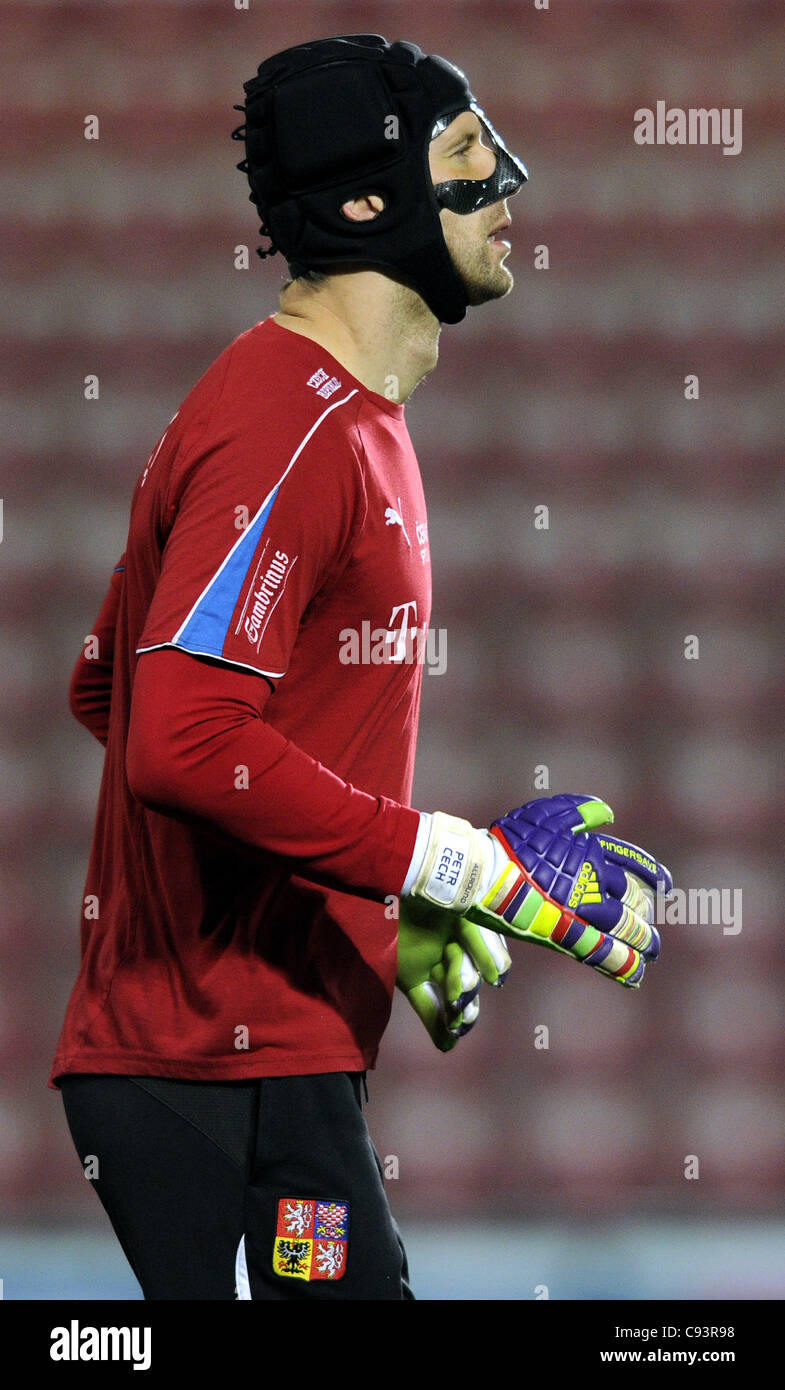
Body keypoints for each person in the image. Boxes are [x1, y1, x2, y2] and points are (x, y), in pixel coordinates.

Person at [50, 34, 670, 1301]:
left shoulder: (340, 413)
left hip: (259, 1059)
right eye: (467, 159)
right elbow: (179, 736)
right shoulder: (289, 423)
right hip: (208, 1075)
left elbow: (110, 689)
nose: (509, 186)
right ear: (368, 204)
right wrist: (450, 863)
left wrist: (374, 917)